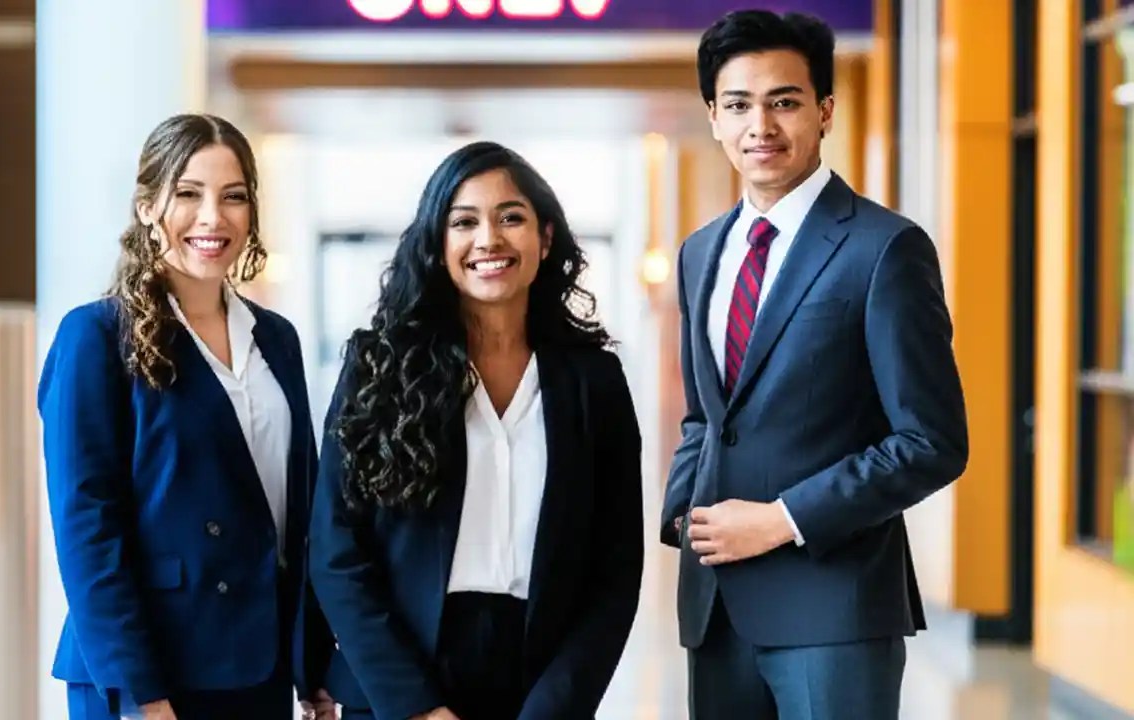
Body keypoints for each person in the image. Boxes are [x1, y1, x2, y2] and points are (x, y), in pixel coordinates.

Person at [660, 10, 969, 720]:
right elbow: (707, 415)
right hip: (716, 607)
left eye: (784, 101)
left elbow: (932, 442)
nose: (759, 125)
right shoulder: (701, 253)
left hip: (833, 611)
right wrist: (684, 507)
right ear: (713, 116)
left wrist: (782, 519)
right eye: (738, 104)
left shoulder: (884, 249)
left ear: (825, 111)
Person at [308, 141, 644, 720]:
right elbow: (336, 552)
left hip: (537, 685)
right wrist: (417, 708)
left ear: (544, 238)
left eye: (510, 217)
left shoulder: (596, 382)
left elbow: (614, 571)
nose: (488, 239)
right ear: (438, 247)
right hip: (399, 684)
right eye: (463, 222)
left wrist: (554, 708)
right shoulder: (378, 368)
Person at [39, 113, 335, 720]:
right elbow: (88, 531)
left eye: (233, 197)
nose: (213, 218)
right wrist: (141, 695)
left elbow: (295, 516)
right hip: (150, 672)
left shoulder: (276, 338)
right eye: (188, 194)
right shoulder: (95, 337)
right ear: (148, 206)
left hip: (257, 665)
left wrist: (313, 664)